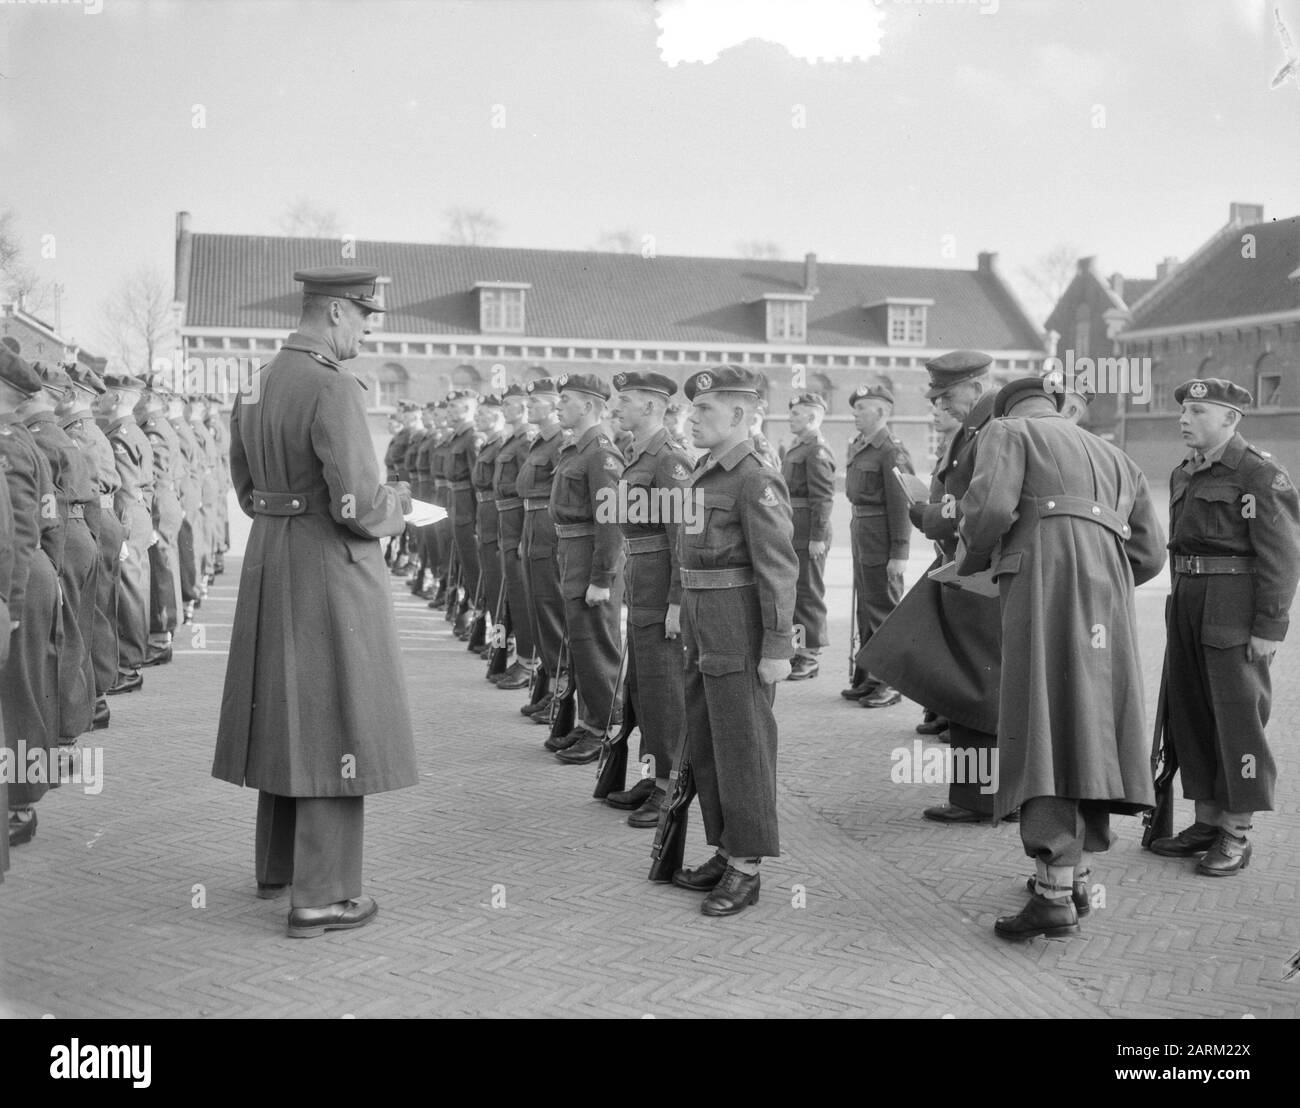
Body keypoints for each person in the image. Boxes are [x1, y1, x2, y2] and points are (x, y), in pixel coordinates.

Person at [211, 266, 416, 938]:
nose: (366, 330)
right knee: (336, 723)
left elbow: (243, 484)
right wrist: (405, 509)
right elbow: (358, 501)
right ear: (333, 313)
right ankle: (322, 896)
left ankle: (278, 869)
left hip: (273, 561)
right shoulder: (333, 387)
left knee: (283, 712)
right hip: (329, 569)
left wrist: (281, 516)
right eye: (363, 318)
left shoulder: (255, 382)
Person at [957, 375, 1166, 938]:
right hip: (1108, 601)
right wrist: (1102, 573)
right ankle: (1074, 876)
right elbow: (1149, 554)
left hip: (1043, 589)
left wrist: (974, 559)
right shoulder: (1117, 455)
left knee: (1042, 725)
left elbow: (987, 512)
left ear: (1006, 407)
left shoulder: (1008, 430)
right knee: (1091, 726)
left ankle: (1053, 895)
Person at [1149, 378, 1300, 875]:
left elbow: (1280, 555)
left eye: (1197, 411)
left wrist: (1270, 627)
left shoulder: (1258, 473)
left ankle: (1237, 833)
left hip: (1233, 607)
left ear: (1230, 419)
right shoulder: (1183, 473)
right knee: (1191, 715)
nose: (1183, 419)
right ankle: (1207, 821)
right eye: (1184, 410)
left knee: (1237, 721)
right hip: (1189, 603)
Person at [671, 365, 799, 916]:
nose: (692, 418)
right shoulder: (706, 471)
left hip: (738, 624)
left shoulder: (754, 478)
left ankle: (747, 865)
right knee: (708, 739)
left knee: (743, 744)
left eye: (704, 410)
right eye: (692, 409)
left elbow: (779, 569)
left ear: (740, 415)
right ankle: (725, 848)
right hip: (704, 619)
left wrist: (776, 647)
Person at [861, 351, 1008, 823]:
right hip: (963, 571)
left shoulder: (994, 431)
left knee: (981, 689)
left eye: (948, 394)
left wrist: (928, 513)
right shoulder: (973, 432)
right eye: (937, 395)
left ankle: (985, 799)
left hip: (981, 576)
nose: (940, 404)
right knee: (969, 686)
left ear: (979, 384)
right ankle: (976, 796)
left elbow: (984, 509)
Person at [603, 371, 692, 824]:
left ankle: (671, 784)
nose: (617, 409)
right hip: (640, 578)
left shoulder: (669, 460)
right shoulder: (638, 455)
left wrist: (677, 602)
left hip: (661, 587)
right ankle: (652, 773)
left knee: (665, 688)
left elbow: (682, 535)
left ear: (652, 408)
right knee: (643, 684)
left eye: (626, 401)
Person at [549, 373, 627, 764]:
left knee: (596, 645)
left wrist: (602, 579)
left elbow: (610, 521)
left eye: (566, 400)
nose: (558, 406)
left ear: (591, 406)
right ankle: (589, 720)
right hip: (572, 553)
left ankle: (604, 729)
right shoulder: (576, 449)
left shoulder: (601, 453)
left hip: (589, 556)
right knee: (581, 643)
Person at [0, 349, 61, 848]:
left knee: (17, 694)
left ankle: (19, 805)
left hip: (19, 578)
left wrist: (12, 606)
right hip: (25, 574)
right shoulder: (17, 438)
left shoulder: (9, 445)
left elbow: (20, 532)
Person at [841, 384, 912, 708]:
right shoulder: (861, 446)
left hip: (881, 535)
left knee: (883, 609)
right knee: (866, 608)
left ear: (882, 412)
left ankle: (890, 683)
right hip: (862, 531)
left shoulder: (890, 450)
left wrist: (899, 553)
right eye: (855, 408)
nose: (855, 413)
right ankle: (868, 677)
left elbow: (902, 505)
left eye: (862, 408)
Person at [59, 363, 122, 727]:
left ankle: (96, 698)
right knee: (95, 611)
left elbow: (89, 493)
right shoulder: (83, 429)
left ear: (72, 395)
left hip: (95, 520)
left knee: (93, 613)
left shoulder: (80, 433)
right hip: (99, 521)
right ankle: (94, 695)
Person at [96, 374, 154, 695]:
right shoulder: (132, 431)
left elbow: (126, 489)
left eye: (105, 394)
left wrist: (120, 528)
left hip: (126, 514)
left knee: (129, 590)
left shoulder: (120, 436)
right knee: (134, 585)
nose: (100, 399)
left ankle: (129, 667)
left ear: (117, 399)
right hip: (137, 514)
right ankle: (130, 662)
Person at [518, 377, 568, 729]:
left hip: (547, 532)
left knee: (551, 614)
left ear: (552, 407)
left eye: (536, 403)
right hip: (532, 526)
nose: (529, 408)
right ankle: (549, 685)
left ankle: (560, 692)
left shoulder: (559, 443)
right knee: (539, 613)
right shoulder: (540, 442)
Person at [780, 393, 835, 681]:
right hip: (794, 528)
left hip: (808, 532)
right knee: (796, 593)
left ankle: (810, 655)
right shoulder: (798, 447)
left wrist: (818, 537)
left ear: (812, 418)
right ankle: (799, 650)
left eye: (797, 414)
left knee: (809, 593)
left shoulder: (816, 450)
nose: (790, 417)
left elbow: (823, 498)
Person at [492, 384, 539, 694]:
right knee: (511, 594)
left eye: (510, 405)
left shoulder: (525, 442)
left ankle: (527, 661)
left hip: (518, 524)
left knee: (522, 599)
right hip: (502, 522)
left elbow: (527, 493)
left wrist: (523, 536)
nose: (504, 410)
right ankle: (520, 657)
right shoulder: (512, 440)